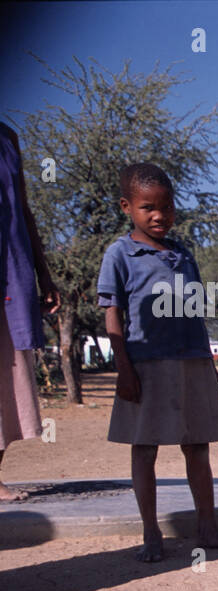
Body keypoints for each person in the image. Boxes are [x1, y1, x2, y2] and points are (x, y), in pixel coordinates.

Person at [98, 163, 218, 561]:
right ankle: (151, 534)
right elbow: (112, 311)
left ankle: (208, 528)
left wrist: (210, 364)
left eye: (166, 207)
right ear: (127, 206)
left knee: (198, 448)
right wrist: (124, 369)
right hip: (146, 363)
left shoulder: (182, 253)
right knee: (144, 449)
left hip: (193, 361)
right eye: (148, 207)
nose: (158, 215)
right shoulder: (120, 253)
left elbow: (195, 310)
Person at [0, 122, 59, 503]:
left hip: (9, 265)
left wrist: (43, 272)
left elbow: (22, 209)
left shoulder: (8, 138)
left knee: (8, 367)